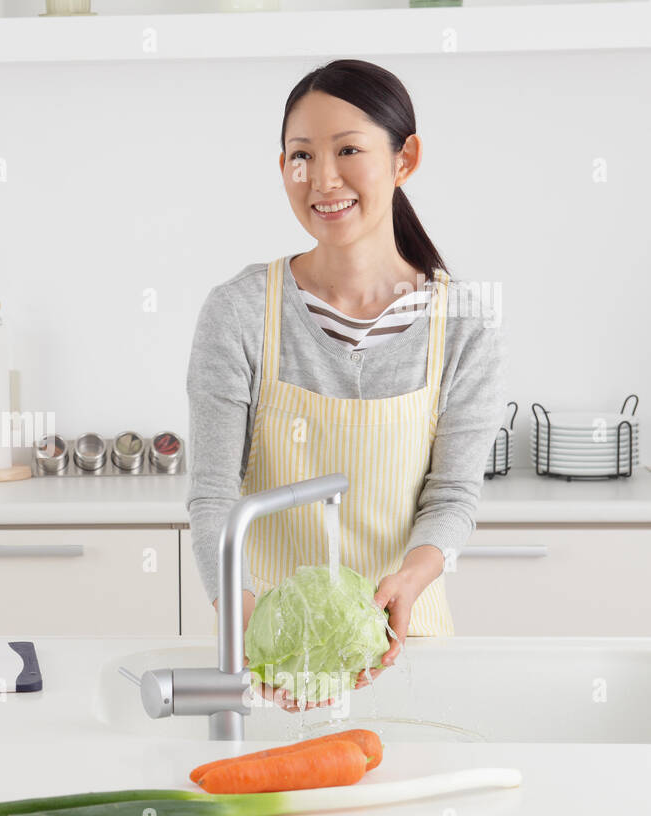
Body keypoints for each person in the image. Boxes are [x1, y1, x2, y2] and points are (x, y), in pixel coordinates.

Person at [185, 59, 506, 711]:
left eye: (349, 150)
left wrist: (411, 578)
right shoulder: (241, 312)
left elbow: (452, 497)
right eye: (301, 155)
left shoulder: (463, 322)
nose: (322, 179)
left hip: (408, 645)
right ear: (282, 169)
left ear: (404, 158)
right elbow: (213, 494)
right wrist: (239, 614)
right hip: (274, 657)